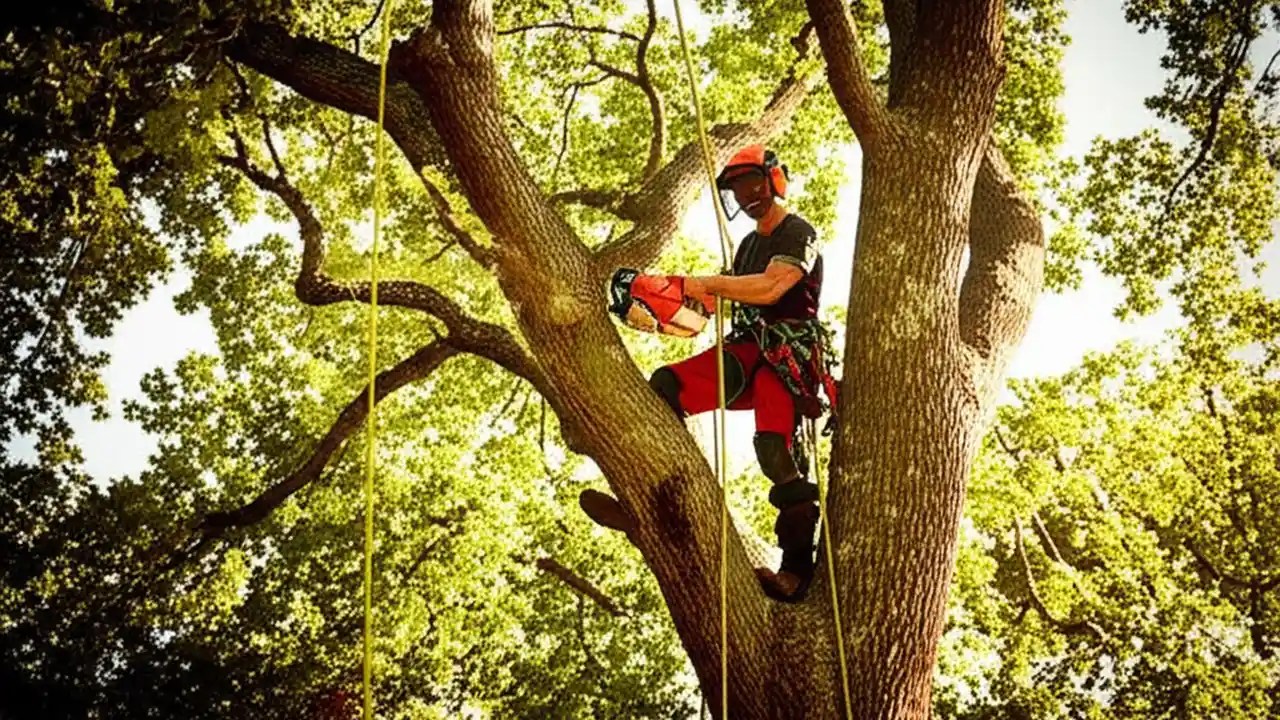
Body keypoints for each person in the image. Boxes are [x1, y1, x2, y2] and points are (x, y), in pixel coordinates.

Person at [586, 145, 838, 602]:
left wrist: (707, 284)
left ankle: (796, 572)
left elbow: (771, 286)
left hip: (784, 357)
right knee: (667, 386)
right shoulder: (747, 246)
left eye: (754, 186)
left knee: (774, 454)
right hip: (746, 348)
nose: (748, 197)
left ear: (774, 181)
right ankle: (644, 498)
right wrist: (664, 301)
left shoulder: (797, 231)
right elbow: (710, 304)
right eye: (740, 191)